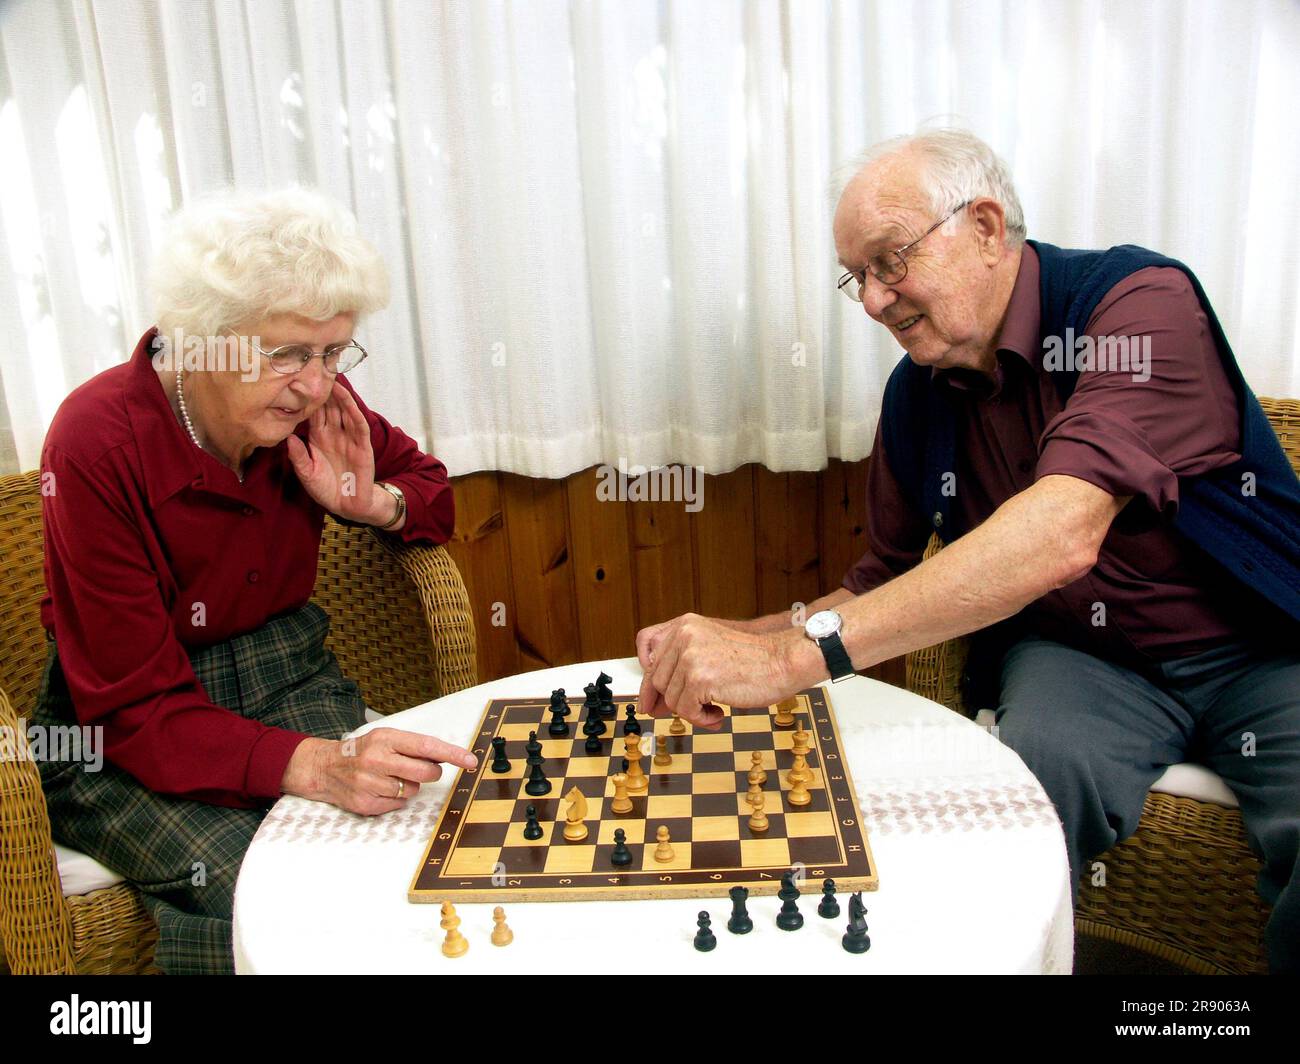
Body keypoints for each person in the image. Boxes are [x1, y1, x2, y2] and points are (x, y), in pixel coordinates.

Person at [636, 129, 1300, 972]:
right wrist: (743, 637)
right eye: (857, 280)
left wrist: (785, 665)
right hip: (1086, 659)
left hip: (1260, 644)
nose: (874, 302)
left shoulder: (1139, 305)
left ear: (984, 227)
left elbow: (1061, 529)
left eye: (889, 261)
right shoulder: (916, 394)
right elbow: (877, 583)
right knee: (1014, 797)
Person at [31, 187, 477, 974]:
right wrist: (313, 765)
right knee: (275, 885)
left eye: (335, 352)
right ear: (202, 343)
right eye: (287, 355)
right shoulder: (95, 442)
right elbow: (134, 702)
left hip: (285, 671)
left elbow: (429, 487)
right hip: (123, 722)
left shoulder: (309, 403)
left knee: (383, 852)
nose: (316, 385)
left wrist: (372, 503)